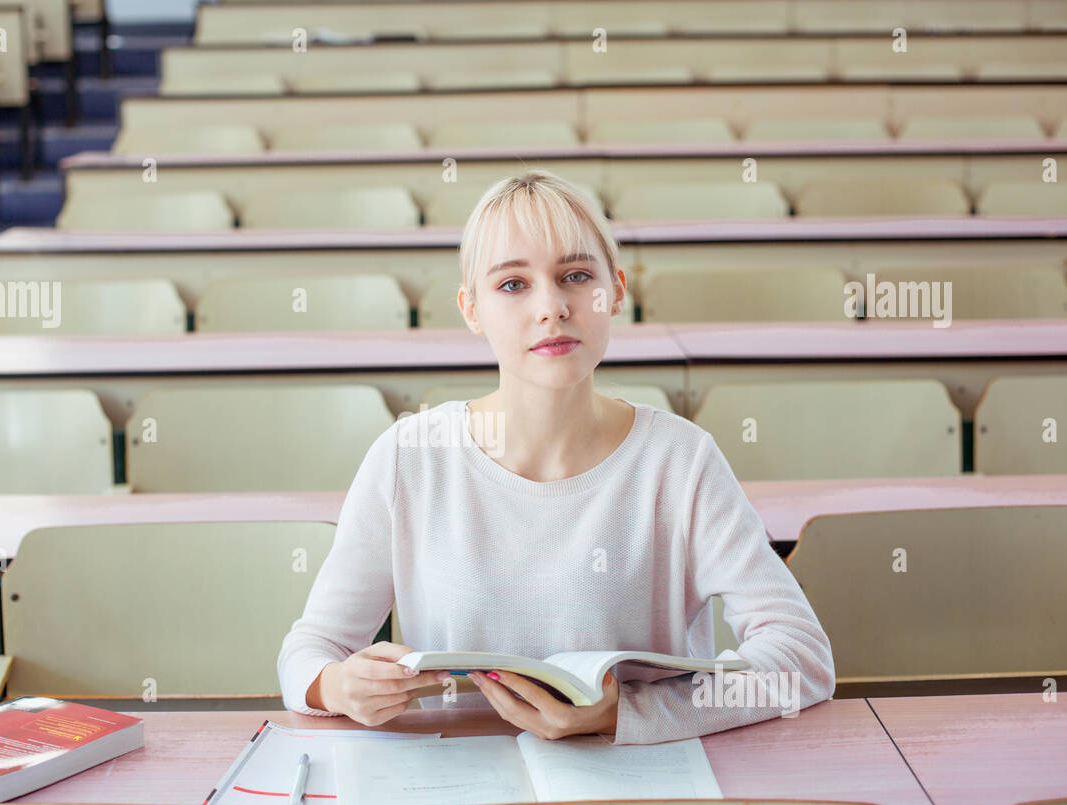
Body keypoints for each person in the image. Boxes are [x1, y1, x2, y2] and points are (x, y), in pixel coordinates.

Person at [276, 169, 835, 744]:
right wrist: (338, 685)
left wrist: (628, 714)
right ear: (471, 309)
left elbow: (801, 658)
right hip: (455, 787)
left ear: (615, 289)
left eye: (575, 277)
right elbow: (309, 651)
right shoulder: (408, 457)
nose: (552, 308)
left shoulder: (680, 460)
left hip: (642, 786)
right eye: (513, 285)